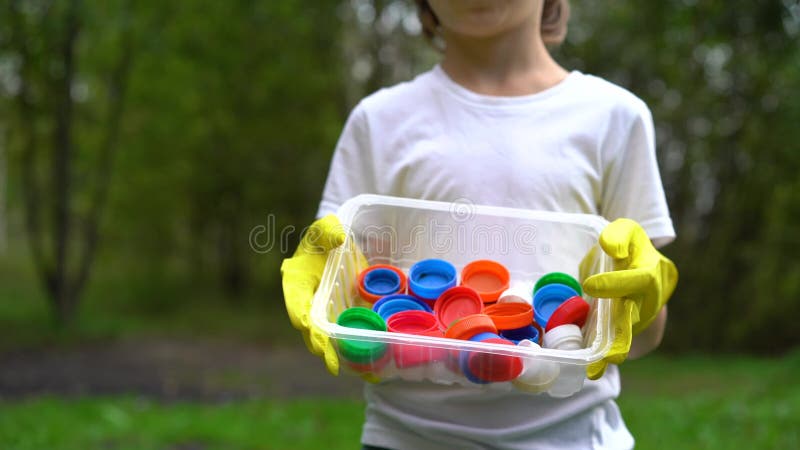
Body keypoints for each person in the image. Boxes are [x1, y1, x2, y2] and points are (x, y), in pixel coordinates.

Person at [281, 1, 678, 448]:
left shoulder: (615, 118)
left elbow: (641, 336)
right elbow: (346, 300)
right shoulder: (378, 121)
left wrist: (646, 302)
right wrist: (323, 285)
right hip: (405, 438)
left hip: (573, 438)